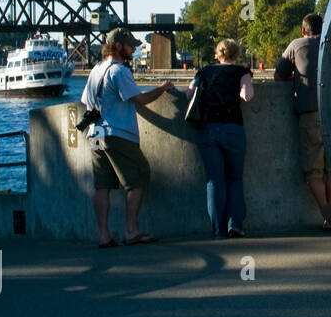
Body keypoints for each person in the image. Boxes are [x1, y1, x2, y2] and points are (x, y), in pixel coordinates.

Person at [81, 28, 177, 248]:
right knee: (138, 177)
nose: (134, 49)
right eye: (130, 45)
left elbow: (86, 100)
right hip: (116, 133)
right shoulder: (119, 71)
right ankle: (131, 230)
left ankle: (104, 236)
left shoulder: (96, 70)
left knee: (102, 186)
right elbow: (140, 99)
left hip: (94, 133)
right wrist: (162, 88)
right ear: (117, 46)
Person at [274, 12, 331, 232]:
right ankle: (330, 216)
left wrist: (296, 77)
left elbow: (279, 75)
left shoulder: (296, 45)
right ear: (323, 29)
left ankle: (327, 212)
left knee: (313, 171)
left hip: (309, 115)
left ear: (303, 30)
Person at [189, 38, 255, 239]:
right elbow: (247, 95)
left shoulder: (204, 72)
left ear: (218, 54)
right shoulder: (241, 72)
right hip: (232, 128)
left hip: (207, 128)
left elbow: (189, 93)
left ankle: (218, 230)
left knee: (214, 181)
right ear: (236, 54)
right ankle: (234, 224)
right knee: (234, 179)